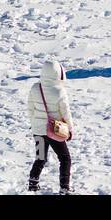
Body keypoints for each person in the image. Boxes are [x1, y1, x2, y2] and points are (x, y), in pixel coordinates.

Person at [26, 59, 73, 194]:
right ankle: (64, 187)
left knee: (40, 157)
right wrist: (69, 129)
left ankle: (33, 184)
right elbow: (66, 113)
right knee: (65, 158)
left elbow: (30, 109)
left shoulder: (35, 88)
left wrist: (34, 124)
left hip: (38, 131)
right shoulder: (59, 91)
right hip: (55, 131)